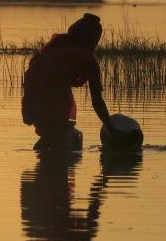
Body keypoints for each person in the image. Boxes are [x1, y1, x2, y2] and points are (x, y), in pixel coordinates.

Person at [21, 13, 128, 150]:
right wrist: (112, 130)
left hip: (33, 88)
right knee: (55, 135)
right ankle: (49, 164)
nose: (96, 43)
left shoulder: (56, 47)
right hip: (48, 92)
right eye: (95, 38)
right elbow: (97, 101)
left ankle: (45, 162)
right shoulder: (85, 57)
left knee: (50, 135)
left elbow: (38, 71)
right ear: (87, 38)